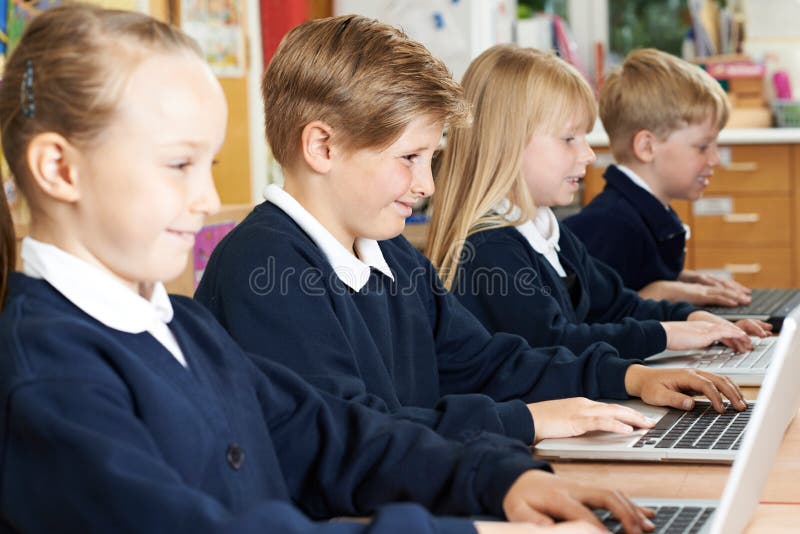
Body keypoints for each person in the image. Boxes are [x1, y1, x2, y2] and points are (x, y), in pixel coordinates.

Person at [0, 5, 642, 533]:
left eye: (209, 166)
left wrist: (495, 480)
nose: (204, 199)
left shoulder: (182, 329)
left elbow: (332, 434)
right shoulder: (48, 376)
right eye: (178, 165)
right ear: (59, 169)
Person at [195, 14, 748, 460]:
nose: (427, 183)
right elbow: (346, 436)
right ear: (322, 147)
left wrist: (625, 376)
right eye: (409, 157)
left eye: (430, 158)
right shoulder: (263, 268)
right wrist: (524, 424)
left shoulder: (390, 254)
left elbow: (485, 363)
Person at [426, 45, 769, 361]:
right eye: (569, 139)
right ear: (506, 144)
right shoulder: (491, 248)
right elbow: (554, 344)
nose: (588, 155)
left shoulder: (546, 230)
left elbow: (615, 304)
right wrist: (664, 335)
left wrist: (692, 319)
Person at [564, 48, 752, 308]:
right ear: (647, 147)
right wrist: (661, 292)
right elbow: (592, 318)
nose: (714, 160)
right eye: (702, 147)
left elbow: (631, 278)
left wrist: (681, 281)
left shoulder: (645, 213)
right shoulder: (611, 226)